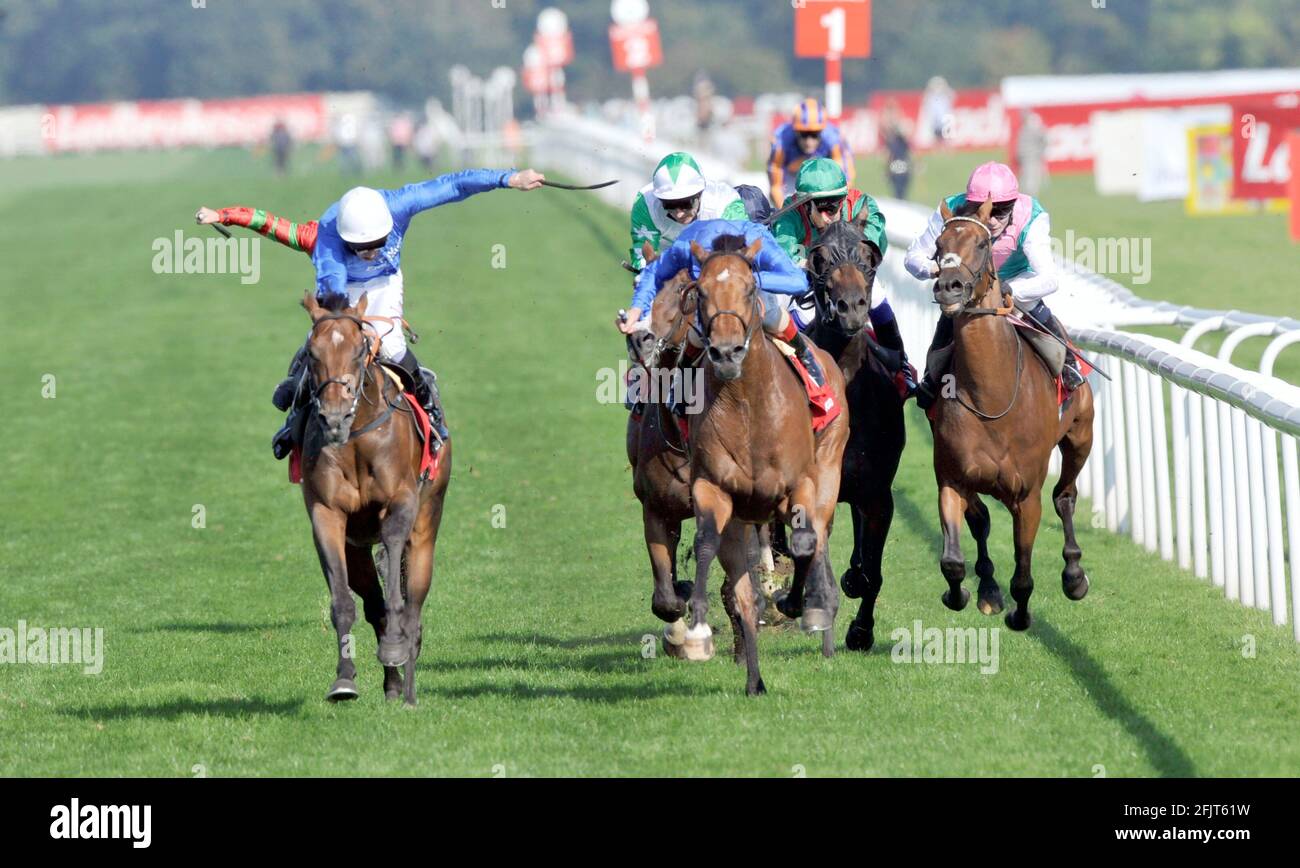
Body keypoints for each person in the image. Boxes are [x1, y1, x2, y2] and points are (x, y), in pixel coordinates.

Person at [197, 167, 547, 459]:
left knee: (392, 346)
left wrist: (509, 178)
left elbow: (454, 184)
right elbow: (265, 222)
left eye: (377, 244)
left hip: (384, 285)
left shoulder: (400, 205)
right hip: (341, 291)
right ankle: (295, 419)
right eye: (360, 248)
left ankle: (430, 410)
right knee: (322, 347)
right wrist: (222, 215)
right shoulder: (321, 240)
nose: (368, 252)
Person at [904, 161, 1082, 411]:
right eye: (985, 210)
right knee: (948, 321)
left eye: (1002, 211)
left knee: (1030, 301)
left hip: (1016, 285)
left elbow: (1049, 278)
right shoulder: (952, 208)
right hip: (969, 290)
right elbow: (913, 258)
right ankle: (932, 381)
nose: (993, 219)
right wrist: (938, 269)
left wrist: (1008, 290)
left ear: (1014, 205)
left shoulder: (1031, 216)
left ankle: (1068, 365)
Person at [617, 219, 827, 389]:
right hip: (713, 291)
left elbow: (799, 281)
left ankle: (805, 358)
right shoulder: (685, 249)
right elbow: (653, 273)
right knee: (697, 332)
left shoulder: (758, 242)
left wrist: (749, 280)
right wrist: (637, 311)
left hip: (749, 281)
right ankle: (681, 384)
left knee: (773, 318)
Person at [769, 157, 915, 392]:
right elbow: (783, 252)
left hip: (854, 279)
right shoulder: (790, 213)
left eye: (834, 206)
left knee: (876, 295)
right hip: (809, 280)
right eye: (822, 208)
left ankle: (901, 366)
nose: (829, 215)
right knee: (793, 311)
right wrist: (812, 266)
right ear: (805, 205)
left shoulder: (860, 204)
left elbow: (874, 243)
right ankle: (781, 375)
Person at [628, 151, 748, 272]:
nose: (679, 213)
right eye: (669, 204)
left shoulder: (725, 203)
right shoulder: (645, 203)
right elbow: (641, 257)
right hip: (672, 256)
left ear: (700, 194)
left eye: (685, 204)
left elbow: (739, 258)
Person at [767, 98, 855, 206]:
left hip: (824, 176)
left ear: (822, 131)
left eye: (814, 134)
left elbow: (845, 179)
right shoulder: (781, 141)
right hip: (791, 176)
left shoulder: (834, 140)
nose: (809, 141)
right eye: (804, 134)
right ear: (795, 131)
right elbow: (776, 185)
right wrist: (784, 214)